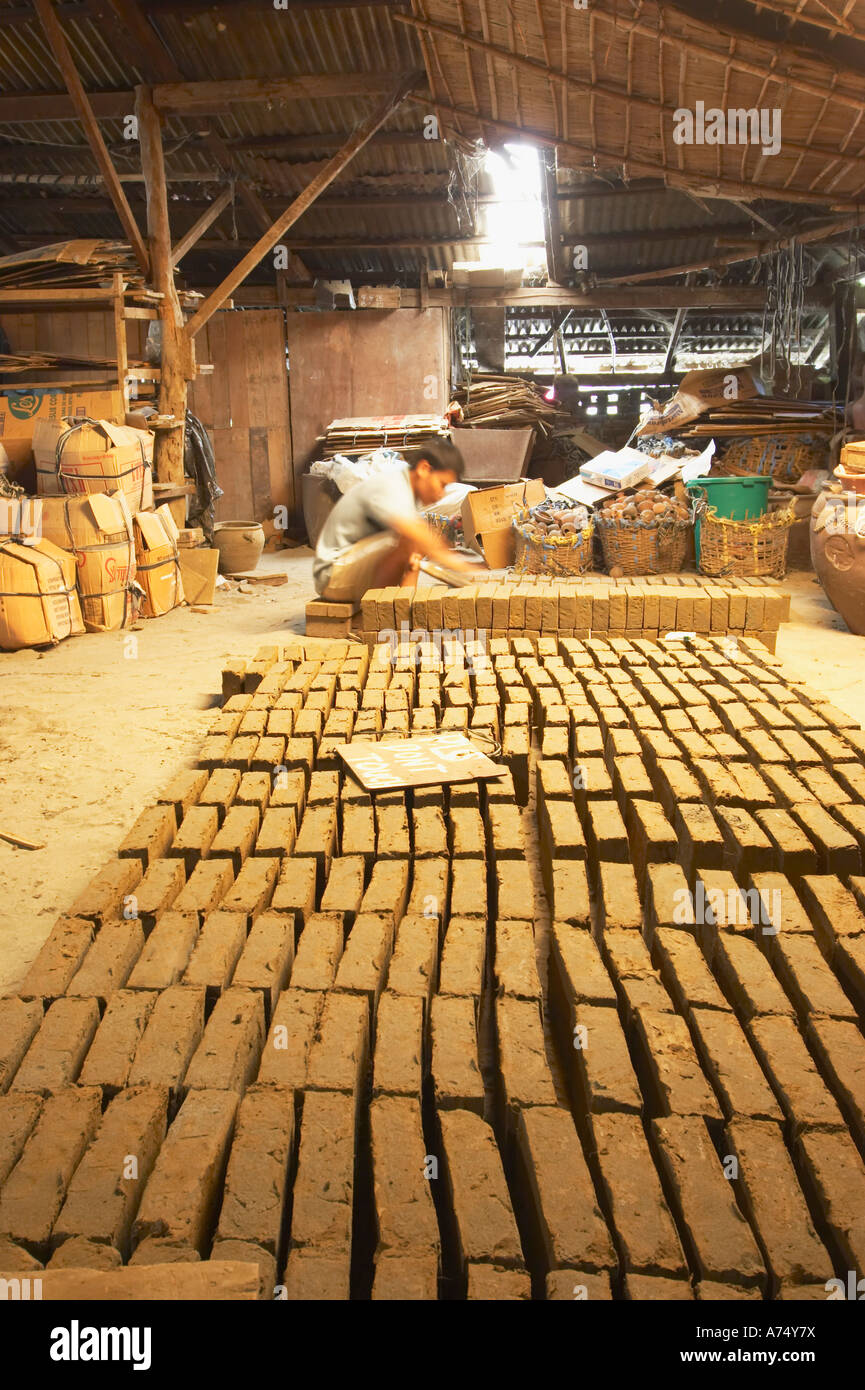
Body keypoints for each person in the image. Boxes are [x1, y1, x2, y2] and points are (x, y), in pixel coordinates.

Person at [312, 440, 474, 605]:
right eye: (442, 484)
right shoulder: (391, 485)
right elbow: (418, 536)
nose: (441, 493)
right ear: (424, 469)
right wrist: (463, 566)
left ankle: (401, 607)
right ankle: (378, 610)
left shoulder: (408, 490)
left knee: (414, 541)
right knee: (411, 537)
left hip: (349, 569)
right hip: (332, 577)